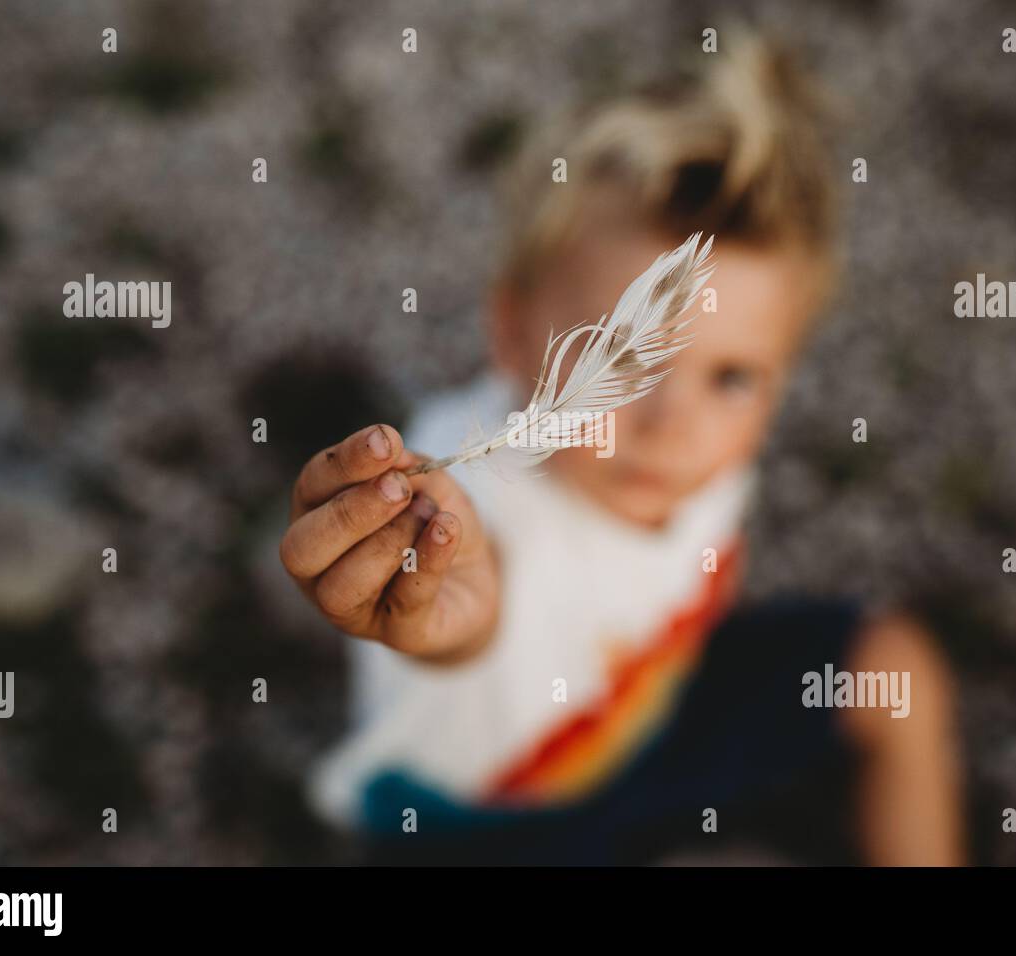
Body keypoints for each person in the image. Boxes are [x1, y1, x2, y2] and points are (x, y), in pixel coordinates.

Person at [279, 32, 964, 865]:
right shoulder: (469, 489)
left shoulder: (683, 450)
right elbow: (468, 597)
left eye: (733, 378)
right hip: (495, 823)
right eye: (621, 360)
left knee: (897, 675)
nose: (670, 422)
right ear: (512, 330)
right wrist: (446, 599)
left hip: (656, 702)